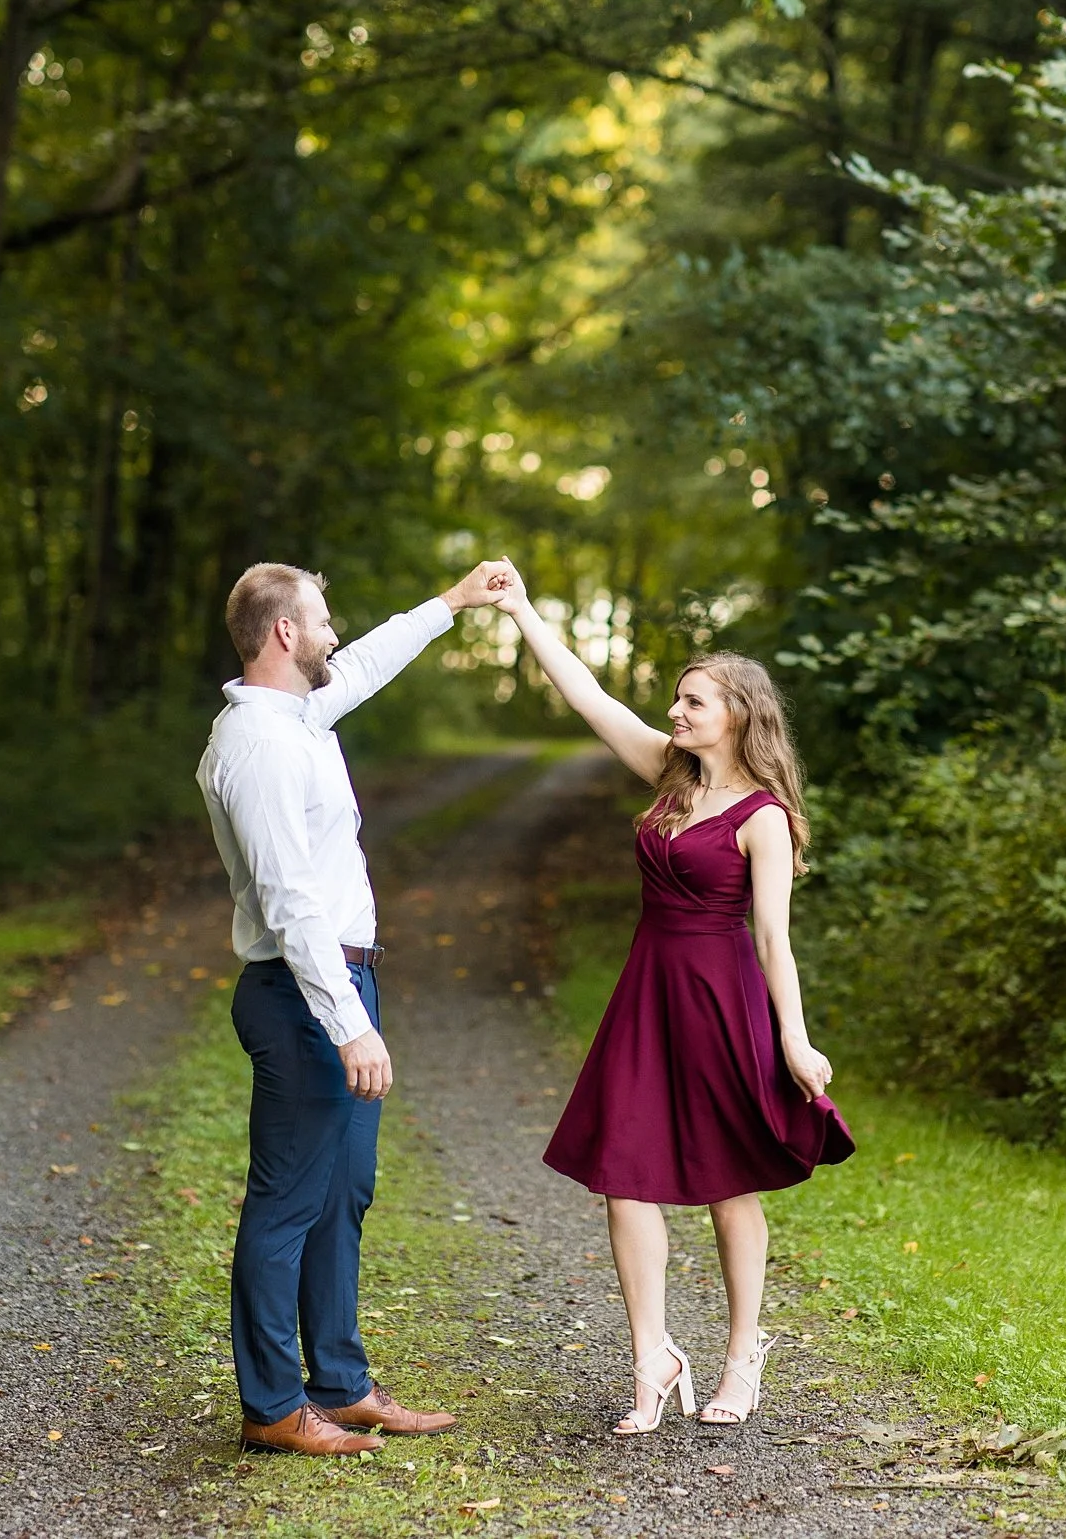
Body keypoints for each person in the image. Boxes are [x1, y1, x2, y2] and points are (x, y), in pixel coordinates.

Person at [492, 562, 853, 1432]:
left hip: (722, 1001)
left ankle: (742, 1354)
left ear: (739, 715)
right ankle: (651, 1356)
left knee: (730, 1182)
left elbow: (773, 940)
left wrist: (795, 1040)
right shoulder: (670, 775)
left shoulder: (763, 816)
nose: (677, 711)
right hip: (646, 993)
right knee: (624, 1173)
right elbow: (588, 697)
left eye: (695, 701)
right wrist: (524, 611)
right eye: (678, 698)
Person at [196, 556, 514, 1457]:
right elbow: (290, 900)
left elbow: (366, 662)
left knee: (343, 1194)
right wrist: (349, 1022)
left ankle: (338, 1382)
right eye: (324, 619)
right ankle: (271, 1406)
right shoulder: (256, 746)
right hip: (305, 992)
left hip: (339, 981)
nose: (335, 634)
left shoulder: (297, 716)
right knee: (287, 1203)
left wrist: (453, 601)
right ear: (284, 631)